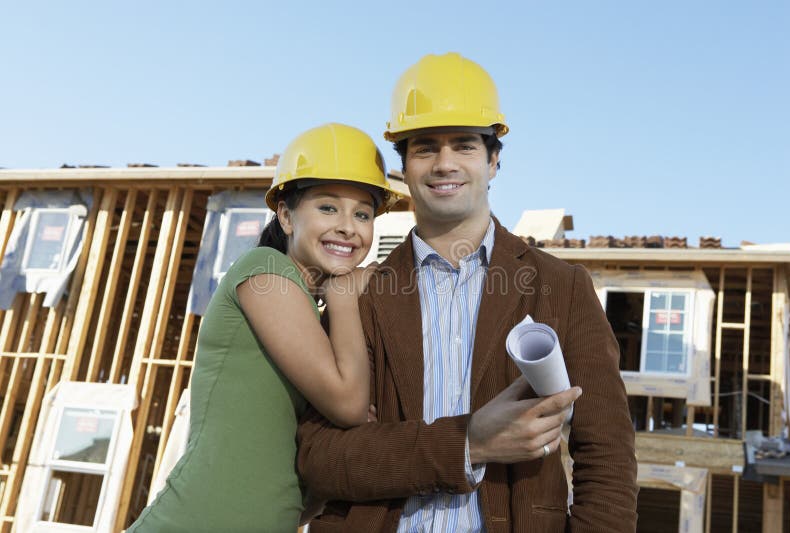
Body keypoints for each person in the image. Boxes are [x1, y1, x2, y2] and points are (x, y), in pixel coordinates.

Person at [297, 53, 638, 532]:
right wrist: (468, 442)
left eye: (464, 146)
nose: (444, 164)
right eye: (424, 148)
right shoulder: (360, 294)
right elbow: (319, 458)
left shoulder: (562, 287)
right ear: (405, 165)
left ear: (494, 160)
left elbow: (608, 458)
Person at [128, 123, 400, 532]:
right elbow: (349, 404)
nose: (348, 226)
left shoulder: (314, 317)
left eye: (362, 213)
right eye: (327, 208)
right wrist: (345, 295)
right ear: (286, 216)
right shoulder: (264, 272)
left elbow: (294, 488)